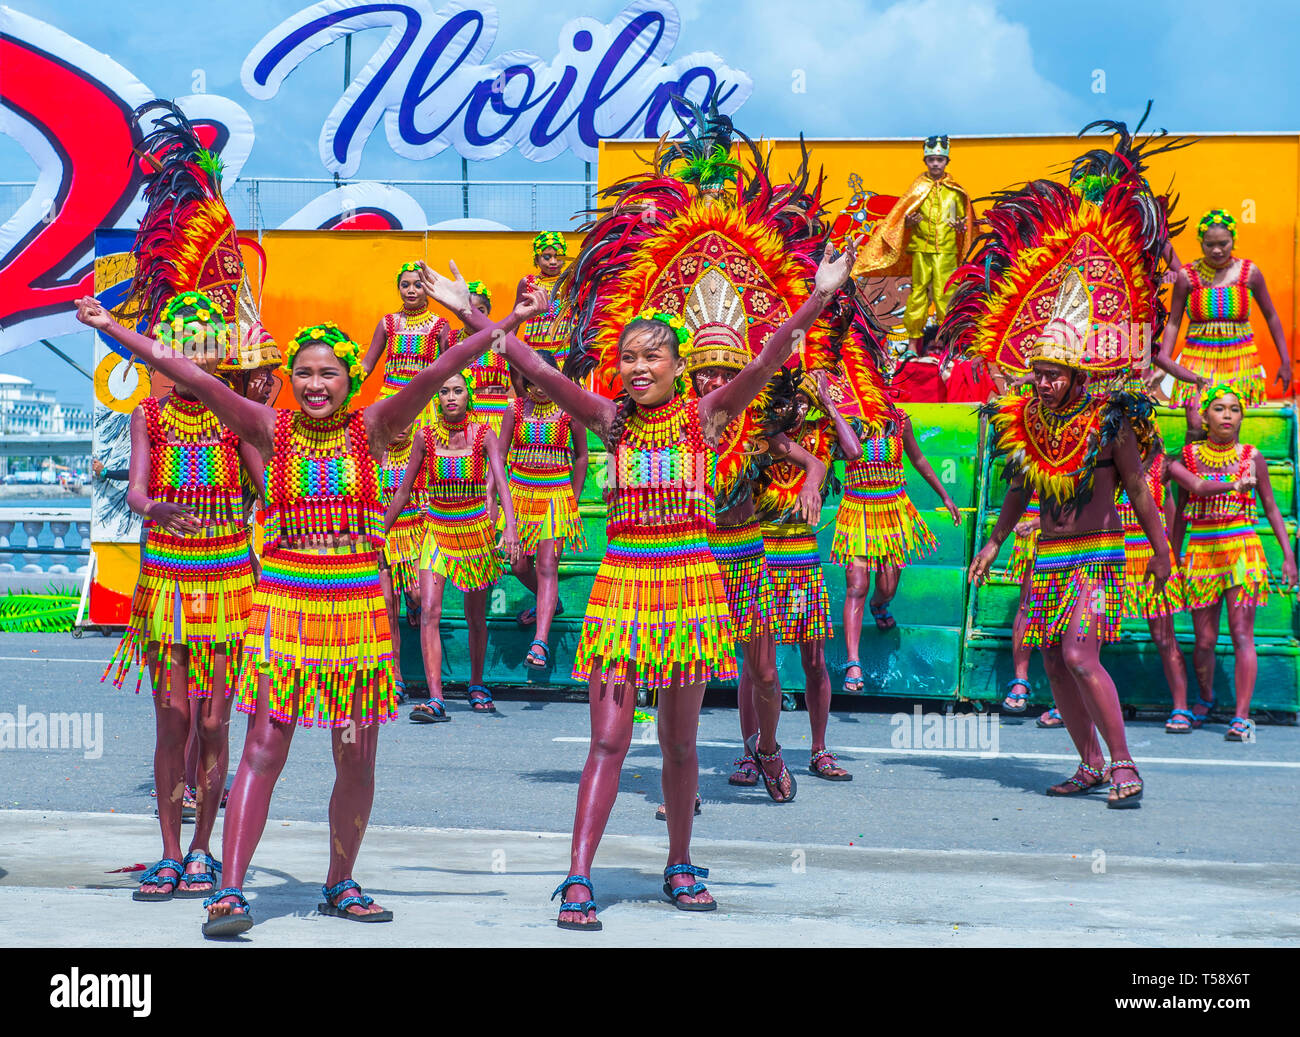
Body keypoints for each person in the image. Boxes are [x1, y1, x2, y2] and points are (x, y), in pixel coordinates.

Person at [75, 278, 546, 939]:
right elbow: (181, 366)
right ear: (289, 379)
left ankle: (340, 881)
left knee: (356, 755)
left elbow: (444, 366)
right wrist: (109, 326)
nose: (316, 382)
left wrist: (499, 322)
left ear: (352, 379)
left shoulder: (378, 425)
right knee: (265, 749)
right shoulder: (268, 425)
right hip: (286, 608)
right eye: (305, 372)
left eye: (329, 372)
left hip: (355, 615)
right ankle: (230, 891)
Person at [430, 230, 857, 928]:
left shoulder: (708, 417)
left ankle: (680, 863)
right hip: (622, 588)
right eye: (626, 356)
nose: (635, 367)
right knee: (607, 740)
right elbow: (533, 366)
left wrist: (820, 294)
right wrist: (470, 315)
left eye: (651, 355)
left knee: (682, 742)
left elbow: (773, 352)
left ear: (678, 364)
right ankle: (577, 874)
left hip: (689, 591)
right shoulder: (609, 421)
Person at [955, 116, 1180, 808]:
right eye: (1040, 372)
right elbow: (1020, 489)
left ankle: (1125, 764)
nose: (1045, 381)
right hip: (1043, 558)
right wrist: (994, 538)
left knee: (1081, 655)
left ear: (1078, 372)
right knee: (1055, 658)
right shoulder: (1025, 420)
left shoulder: (1112, 421)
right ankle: (1088, 761)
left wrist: (1162, 549)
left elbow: (1141, 488)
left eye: (1055, 373)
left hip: (1094, 555)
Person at [1168, 385, 1298, 740]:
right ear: (1205, 417)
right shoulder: (1190, 456)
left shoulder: (1252, 456)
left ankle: (1241, 715)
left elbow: (1271, 507)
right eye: (1220, 409)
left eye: (1234, 409)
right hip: (1200, 554)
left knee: (1242, 635)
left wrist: (1288, 556)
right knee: (1205, 640)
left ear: (1242, 416)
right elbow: (1180, 513)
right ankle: (1206, 697)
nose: (1227, 415)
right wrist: (1171, 557)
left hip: (1243, 552)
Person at [387, 371, 518, 718]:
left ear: (468, 396)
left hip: (474, 531)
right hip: (436, 529)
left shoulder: (484, 435)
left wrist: (511, 529)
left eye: (457, 391)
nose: (450, 397)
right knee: (429, 611)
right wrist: (379, 530)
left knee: (476, 616)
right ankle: (436, 698)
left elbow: (502, 483)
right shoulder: (424, 436)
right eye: (444, 391)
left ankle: (476, 684)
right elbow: (403, 491)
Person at [755, 370, 861, 780]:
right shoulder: (762, 434)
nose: (795, 408)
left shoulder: (820, 432)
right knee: (758, 664)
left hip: (801, 560)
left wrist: (830, 405)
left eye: (803, 400)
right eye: (789, 400)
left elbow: (852, 453)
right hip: (760, 555)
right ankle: (756, 752)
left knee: (813, 659)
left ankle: (819, 750)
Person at [834, 396, 960, 689]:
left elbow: (918, 459)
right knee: (856, 586)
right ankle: (854, 663)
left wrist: (944, 495)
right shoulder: (846, 419)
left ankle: (879, 605)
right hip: (857, 509)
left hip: (892, 509)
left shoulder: (899, 419)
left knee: (887, 587)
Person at [499, 350, 588, 670]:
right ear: (523, 380)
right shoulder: (515, 409)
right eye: (531, 380)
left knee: (548, 564)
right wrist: (497, 502)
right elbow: (500, 455)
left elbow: (581, 457)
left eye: (544, 380)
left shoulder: (568, 410)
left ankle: (540, 641)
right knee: (520, 565)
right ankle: (549, 602)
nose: (538, 387)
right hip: (521, 494)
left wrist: (573, 500)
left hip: (556, 496)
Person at [850, 134, 974, 353]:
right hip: (921, 250)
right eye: (931, 160)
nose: (936, 163)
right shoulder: (918, 189)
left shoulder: (955, 193)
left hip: (946, 252)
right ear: (925, 161)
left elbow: (963, 223)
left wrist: (961, 228)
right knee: (917, 296)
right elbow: (899, 219)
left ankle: (950, 346)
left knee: (946, 296)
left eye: (940, 160)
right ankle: (913, 347)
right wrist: (907, 222)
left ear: (946, 162)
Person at [1155, 211, 1293, 406]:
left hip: (1240, 359)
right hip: (1197, 359)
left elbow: (1271, 316)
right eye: (1209, 245)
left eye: (1223, 243)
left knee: (1232, 424)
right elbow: (1174, 323)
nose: (1217, 250)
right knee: (1195, 424)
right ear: (1200, 242)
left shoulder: (1249, 273)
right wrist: (1165, 366)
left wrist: (1285, 361)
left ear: (1233, 240)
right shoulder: (1188, 275)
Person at [1114, 442, 1193, 733]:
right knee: (1086, 636)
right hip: (1110, 558)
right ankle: (1068, 705)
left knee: (1164, 638)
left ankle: (1181, 707)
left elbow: (1172, 517)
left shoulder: (1161, 468)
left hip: (1152, 559)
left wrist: (1174, 556)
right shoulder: (1104, 462)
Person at [362, 261, 452, 418]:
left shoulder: (439, 325)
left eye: (418, 285)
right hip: (390, 400)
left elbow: (450, 370)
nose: (411, 291)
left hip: (424, 404)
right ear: (399, 288)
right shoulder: (387, 323)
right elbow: (367, 365)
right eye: (405, 285)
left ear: (428, 288)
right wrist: (344, 384)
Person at [376, 422, 424, 703]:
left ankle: (414, 605)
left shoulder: (420, 450)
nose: (401, 426)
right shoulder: (374, 454)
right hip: (383, 535)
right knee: (387, 610)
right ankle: (396, 676)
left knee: (418, 593)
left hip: (415, 534)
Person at [443, 281, 513, 436]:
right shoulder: (452, 339)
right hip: (462, 420)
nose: (474, 316)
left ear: (488, 311)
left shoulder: (501, 339)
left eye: (480, 310)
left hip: (497, 418)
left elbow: (516, 381)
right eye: (468, 310)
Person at [516, 232, 573, 367]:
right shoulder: (528, 283)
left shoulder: (572, 281)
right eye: (546, 257)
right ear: (536, 259)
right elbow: (515, 319)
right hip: (537, 355)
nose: (553, 262)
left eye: (558, 257)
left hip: (566, 355)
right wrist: (502, 348)